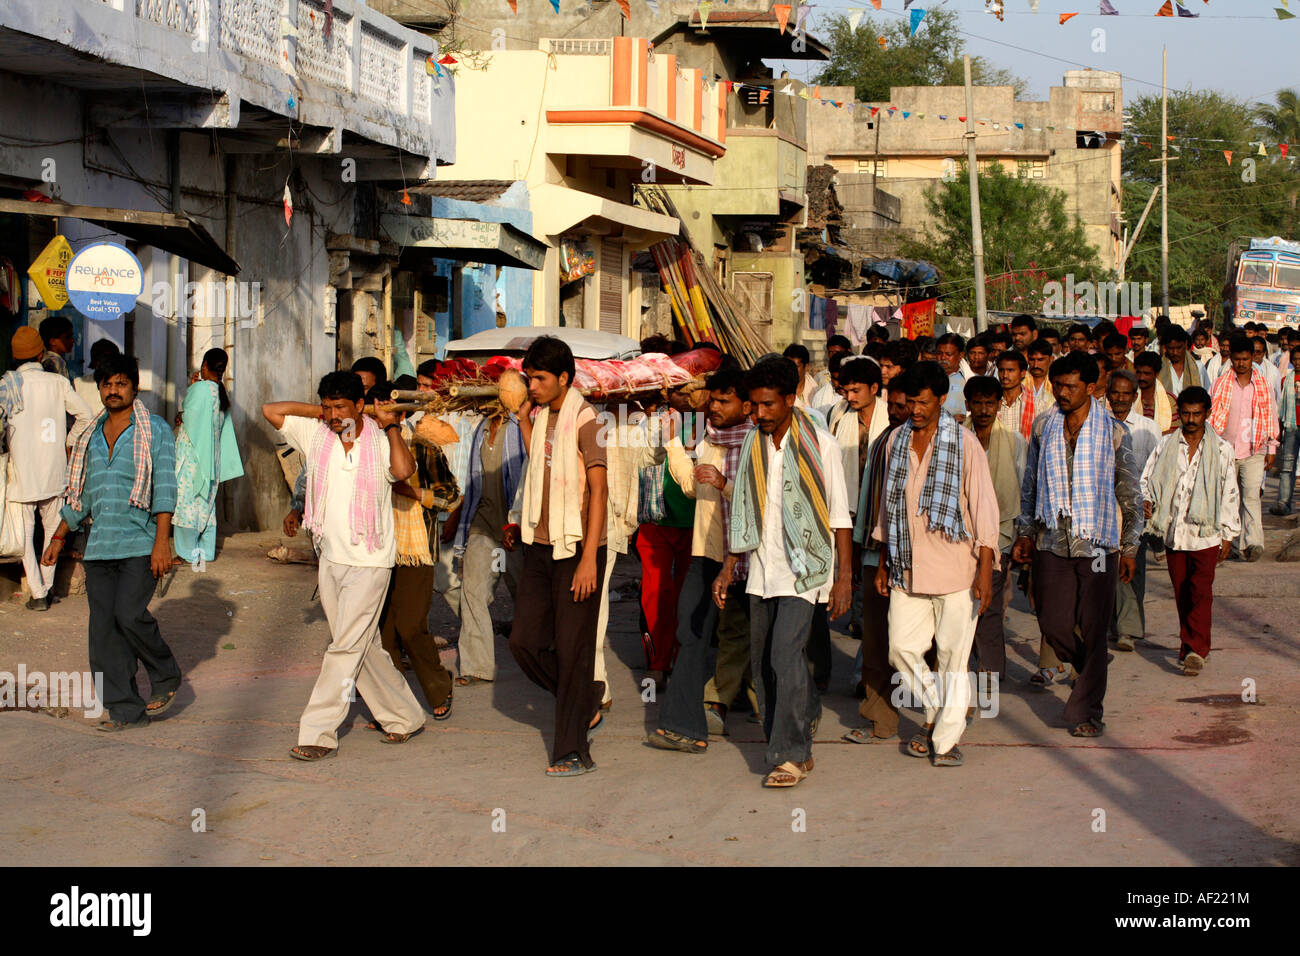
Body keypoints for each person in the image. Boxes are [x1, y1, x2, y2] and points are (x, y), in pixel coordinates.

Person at [262, 371, 427, 760]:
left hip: (370, 561)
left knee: (342, 649)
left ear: (360, 405)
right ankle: (404, 715)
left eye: (341, 406)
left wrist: (387, 426)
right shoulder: (317, 435)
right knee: (362, 646)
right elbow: (271, 410)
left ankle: (318, 732)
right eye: (327, 406)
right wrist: (322, 414)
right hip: (330, 558)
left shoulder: (380, 439)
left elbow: (403, 472)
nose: (334, 414)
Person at [714, 356, 852, 788]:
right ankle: (801, 732)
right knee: (764, 666)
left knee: (784, 655)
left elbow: (840, 517)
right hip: (762, 570)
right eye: (754, 405)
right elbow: (744, 510)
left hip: (806, 570)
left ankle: (788, 755)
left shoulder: (821, 445)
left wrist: (845, 579)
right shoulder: (754, 443)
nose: (759, 414)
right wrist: (728, 568)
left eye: (769, 405)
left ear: (792, 399)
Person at [40, 354, 181, 731]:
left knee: (128, 615)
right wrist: (58, 536)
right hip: (99, 547)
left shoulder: (155, 430)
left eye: (120, 383)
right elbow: (81, 496)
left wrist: (162, 542)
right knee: (103, 633)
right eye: (106, 384)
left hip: (141, 542)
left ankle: (165, 672)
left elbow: (165, 487)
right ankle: (126, 711)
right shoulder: (88, 437)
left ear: (134, 387)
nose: (112, 391)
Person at [869, 364, 998, 768]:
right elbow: (888, 508)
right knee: (902, 649)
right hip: (906, 567)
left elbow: (984, 508)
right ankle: (944, 708)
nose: (915, 410)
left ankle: (943, 742)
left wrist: (985, 571)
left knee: (953, 658)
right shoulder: (895, 442)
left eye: (923, 402)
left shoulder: (965, 443)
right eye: (910, 402)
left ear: (942, 400)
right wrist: (882, 563)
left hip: (957, 569)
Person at [1013, 350, 1142, 738]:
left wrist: (1131, 547)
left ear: (1090, 387)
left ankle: (1088, 711)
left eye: (1070, 386)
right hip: (1052, 539)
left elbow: (1130, 493)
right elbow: (1031, 485)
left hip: (1099, 544)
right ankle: (1093, 665)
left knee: (1094, 622)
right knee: (1052, 622)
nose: (1062, 392)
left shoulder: (1115, 431)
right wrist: (1024, 532)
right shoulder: (1043, 427)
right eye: (1058, 385)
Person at [510, 336, 609, 777]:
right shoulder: (543, 416)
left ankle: (573, 750)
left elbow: (600, 490)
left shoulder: (589, 419)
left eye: (540, 378)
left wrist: (589, 559)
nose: (532, 385)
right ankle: (584, 698)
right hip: (539, 543)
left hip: (578, 549)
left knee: (573, 651)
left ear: (564, 379)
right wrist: (520, 418)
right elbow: (542, 462)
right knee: (523, 642)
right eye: (529, 377)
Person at [648, 368, 755, 752]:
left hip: (747, 558)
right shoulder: (712, 440)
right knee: (691, 631)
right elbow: (694, 487)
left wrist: (725, 484)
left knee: (755, 640)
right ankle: (685, 726)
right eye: (713, 399)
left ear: (746, 405)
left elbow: (763, 500)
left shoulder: (758, 443)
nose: (714, 407)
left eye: (724, 401)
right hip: (707, 553)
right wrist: (674, 444)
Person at [369, 381, 454, 721]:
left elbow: (451, 496)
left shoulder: (423, 448)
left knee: (410, 626)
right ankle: (395, 704)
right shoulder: (364, 446)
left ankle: (438, 687)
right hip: (375, 548)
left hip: (415, 550)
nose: (376, 420)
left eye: (383, 413)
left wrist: (412, 492)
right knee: (383, 633)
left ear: (399, 413)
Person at [1140, 387, 1239, 676]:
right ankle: (1188, 644)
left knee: (1201, 591)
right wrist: (1148, 499)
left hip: (1206, 532)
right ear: (1179, 413)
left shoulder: (1221, 450)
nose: (1192, 419)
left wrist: (1228, 534)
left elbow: (1230, 492)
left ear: (1207, 414)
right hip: (1174, 531)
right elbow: (1147, 479)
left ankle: (1197, 649)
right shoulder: (1166, 444)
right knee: (1182, 591)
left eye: (1197, 413)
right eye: (1186, 413)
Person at [1, 327, 94, 610]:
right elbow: (86, 416)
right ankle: (47, 586)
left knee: (26, 534)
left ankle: (38, 593)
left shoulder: (7, 385)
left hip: (22, 472)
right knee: (53, 531)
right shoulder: (57, 382)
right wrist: (68, 441)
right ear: (41, 353)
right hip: (55, 471)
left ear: (16, 357)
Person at [843, 378, 912, 744]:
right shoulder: (885, 440)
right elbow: (871, 498)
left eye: (911, 405)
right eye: (898, 406)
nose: (904, 413)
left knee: (921, 644)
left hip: (922, 562)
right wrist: (859, 553)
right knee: (876, 642)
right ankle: (879, 718)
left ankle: (941, 717)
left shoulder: (942, 442)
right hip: (875, 554)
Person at [452, 402, 526, 686]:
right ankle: (477, 665)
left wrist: (517, 523)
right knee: (472, 592)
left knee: (526, 593)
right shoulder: (481, 429)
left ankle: (545, 650)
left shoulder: (521, 428)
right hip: (483, 521)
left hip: (514, 524)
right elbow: (473, 479)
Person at [963, 374, 1027, 688]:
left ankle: (990, 673)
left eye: (990, 403)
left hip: (1000, 533)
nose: (985, 409)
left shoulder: (1015, 442)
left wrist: (1021, 536)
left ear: (999, 405)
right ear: (968, 405)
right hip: (962, 536)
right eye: (979, 403)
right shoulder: (958, 440)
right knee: (962, 608)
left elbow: (1023, 490)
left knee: (988, 607)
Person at [635, 389, 697, 693]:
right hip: (654, 520)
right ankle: (658, 663)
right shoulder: (649, 420)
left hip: (696, 522)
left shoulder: (711, 420)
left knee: (689, 597)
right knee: (655, 594)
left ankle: (686, 661)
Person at [1209, 333, 1278, 562]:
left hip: (1254, 450)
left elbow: (1270, 416)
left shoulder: (1263, 385)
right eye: (1237, 359)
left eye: (1245, 359)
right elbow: (1212, 416)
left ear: (1252, 359)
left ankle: (1253, 543)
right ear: (1232, 360)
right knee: (1228, 498)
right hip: (1225, 449)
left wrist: (1272, 449)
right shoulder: (1221, 383)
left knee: (1250, 497)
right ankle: (1230, 542)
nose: (1241, 364)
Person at [1105, 369, 1160, 654]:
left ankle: (1127, 629)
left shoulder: (1148, 428)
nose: (1121, 399)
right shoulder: (1098, 424)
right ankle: (1108, 623)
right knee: (1102, 567)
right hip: (1104, 508)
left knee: (1131, 568)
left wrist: (1148, 500)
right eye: (1115, 392)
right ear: (1107, 393)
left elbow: (1155, 470)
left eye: (1127, 394)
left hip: (1136, 509)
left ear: (1135, 396)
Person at [173, 348, 244, 565]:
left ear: (205, 365)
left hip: (193, 456)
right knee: (205, 505)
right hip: (212, 458)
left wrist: (181, 412)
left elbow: (189, 417)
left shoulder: (201, 389)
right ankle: (204, 551)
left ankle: (186, 552)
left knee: (186, 502)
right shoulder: (219, 391)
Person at [1271, 344, 1300, 516]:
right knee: (1287, 467)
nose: (1297, 362)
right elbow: (1281, 408)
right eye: (1295, 359)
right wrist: (1279, 430)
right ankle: (1283, 503)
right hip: (1291, 427)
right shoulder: (1286, 379)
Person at [995, 349, 1034, 440]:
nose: (1005, 375)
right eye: (1001, 370)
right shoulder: (992, 402)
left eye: (1010, 370)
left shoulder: (1037, 404)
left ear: (1022, 373)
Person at [1135, 352, 1177, 434]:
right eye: (1138, 373)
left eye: (1146, 374)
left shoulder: (1170, 401)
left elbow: (1174, 433)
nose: (1141, 377)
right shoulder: (1129, 397)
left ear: (1156, 374)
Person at [74, 339, 120, 415]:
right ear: (95, 361)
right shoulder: (78, 384)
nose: (106, 364)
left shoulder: (122, 384)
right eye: (103, 359)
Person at [1158, 326, 1206, 398]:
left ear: (1186, 344)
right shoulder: (1159, 368)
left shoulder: (1198, 367)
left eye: (1179, 348)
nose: (1175, 352)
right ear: (1165, 347)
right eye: (1171, 348)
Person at [935, 332, 967, 422]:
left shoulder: (968, 379)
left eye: (948, 354)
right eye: (939, 353)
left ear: (961, 355)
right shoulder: (928, 378)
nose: (943, 358)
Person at [38, 315, 76, 381]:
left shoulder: (49, 359)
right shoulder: (54, 362)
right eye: (67, 337)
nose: (72, 340)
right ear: (53, 342)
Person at [783, 343, 819, 408]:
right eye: (788, 366)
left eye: (796, 366)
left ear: (806, 367)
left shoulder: (816, 392)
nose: (791, 370)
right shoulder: (778, 390)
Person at [1025, 339, 1055, 411]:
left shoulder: (1057, 382)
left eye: (1040, 360)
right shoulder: (1019, 381)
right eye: (1032, 360)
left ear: (1051, 359)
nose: (1035, 365)